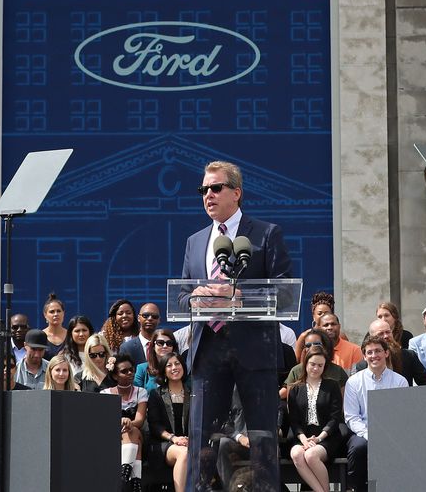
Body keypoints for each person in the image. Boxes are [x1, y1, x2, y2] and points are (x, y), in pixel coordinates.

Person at [180, 160, 293, 491]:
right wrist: (196, 296)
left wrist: (241, 296)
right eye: (203, 189)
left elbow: (285, 292)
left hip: (254, 351)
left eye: (216, 188)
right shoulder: (195, 241)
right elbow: (182, 296)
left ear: (236, 192)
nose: (208, 195)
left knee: (261, 439)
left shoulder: (265, 234)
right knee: (201, 439)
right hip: (208, 349)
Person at [344, 336, 407, 492]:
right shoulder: (353, 382)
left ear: (386, 353)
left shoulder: (400, 382)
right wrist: (368, 434)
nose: (374, 356)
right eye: (369, 352)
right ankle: (356, 488)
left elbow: (402, 414)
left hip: (392, 432)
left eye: (378, 351)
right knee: (358, 448)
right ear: (364, 356)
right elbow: (351, 417)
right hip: (362, 432)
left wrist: (388, 434)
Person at [287, 348, 344, 492]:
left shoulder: (332, 386)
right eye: (312, 364)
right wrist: (304, 440)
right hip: (302, 436)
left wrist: (319, 438)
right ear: (306, 363)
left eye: (320, 365)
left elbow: (335, 418)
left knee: (311, 455)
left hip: (327, 436)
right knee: (297, 454)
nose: (316, 368)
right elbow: (293, 420)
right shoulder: (295, 389)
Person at [100, 354, 148, 490]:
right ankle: (136, 481)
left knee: (133, 431)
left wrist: (128, 423)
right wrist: (120, 421)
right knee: (134, 438)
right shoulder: (106, 393)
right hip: (113, 437)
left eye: (131, 369)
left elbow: (139, 420)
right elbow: (105, 421)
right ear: (115, 376)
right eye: (124, 371)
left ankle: (124, 474)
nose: (130, 373)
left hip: (136, 433)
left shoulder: (141, 392)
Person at [146, 351, 191, 492]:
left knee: (206, 452)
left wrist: (190, 439)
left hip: (189, 441)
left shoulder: (193, 393)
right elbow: (154, 425)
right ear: (164, 371)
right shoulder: (156, 394)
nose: (174, 368)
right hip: (163, 444)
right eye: (169, 365)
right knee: (184, 453)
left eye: (177, 363)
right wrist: (174, 438)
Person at [351, 318, 426, 386]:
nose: (386, 336)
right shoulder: (362, 366)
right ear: (372, 338)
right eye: (381, 334)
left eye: (388, 332)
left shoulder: (409, 356)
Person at [280, 330, 348, 398]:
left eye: (317, 344)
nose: (312, 347)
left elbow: (343, 400)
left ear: (325, 345)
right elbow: (290, 401)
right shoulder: (296, 371)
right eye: (308, 345)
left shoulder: (337, 371)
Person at [62, 315, 95, 384]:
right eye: (77, 331)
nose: (81, 334)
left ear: (90, 332)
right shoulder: (65, 357)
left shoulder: (99, 354)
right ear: (71, 334)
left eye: (84, 330)